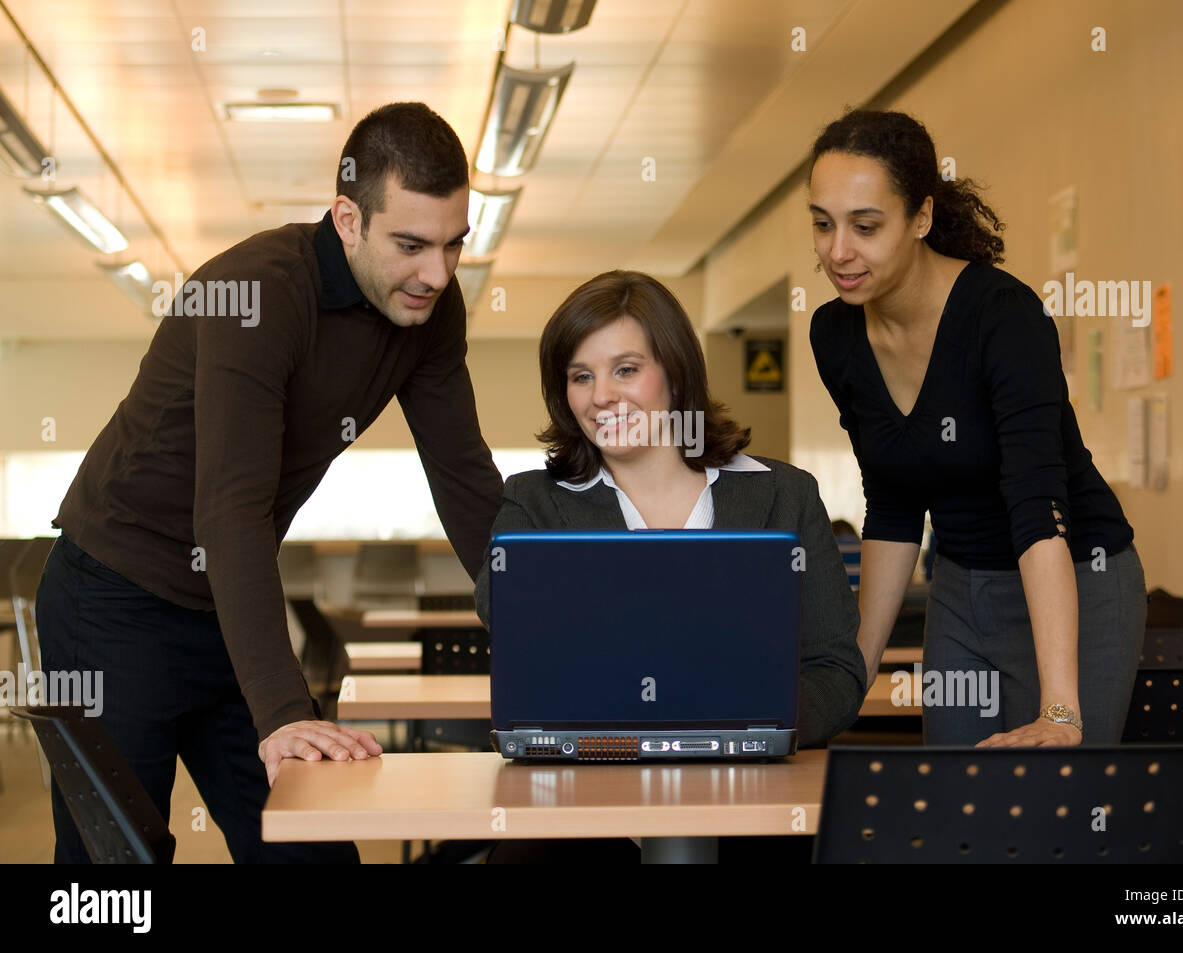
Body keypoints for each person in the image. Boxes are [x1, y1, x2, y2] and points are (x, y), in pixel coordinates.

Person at [37, 102, 504, 863]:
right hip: (110, 602)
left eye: (455, 244)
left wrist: (551, 628)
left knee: (311, 853)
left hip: (223, 605)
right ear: (347, 218)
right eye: (412, 245)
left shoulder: (430, 310)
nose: (437, 273)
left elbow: (466, 479)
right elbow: (232, 510)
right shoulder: (257, 294)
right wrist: (285, 712)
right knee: (117, 869)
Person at [474, 269, 866, 863]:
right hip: (584, 805)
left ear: (676, 373)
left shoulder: (783, 494)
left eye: (625, 369)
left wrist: (742, 733)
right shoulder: (535, 500)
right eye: (582, 376)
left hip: (753, 797)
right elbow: (504, 618)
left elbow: (836, 669)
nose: (602, 395)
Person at [807, 109, 1146, 748]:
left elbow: (1037, 506)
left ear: (922, 219)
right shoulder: (836, 333)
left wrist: (1060, 711)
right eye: (823, 224)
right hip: (961, 587)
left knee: (1055, 815)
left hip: (1077, 576)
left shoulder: (1003, 317)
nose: (838, 251)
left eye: (866, 226)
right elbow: (893, 505)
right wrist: (848, 682)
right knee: (958, 818)